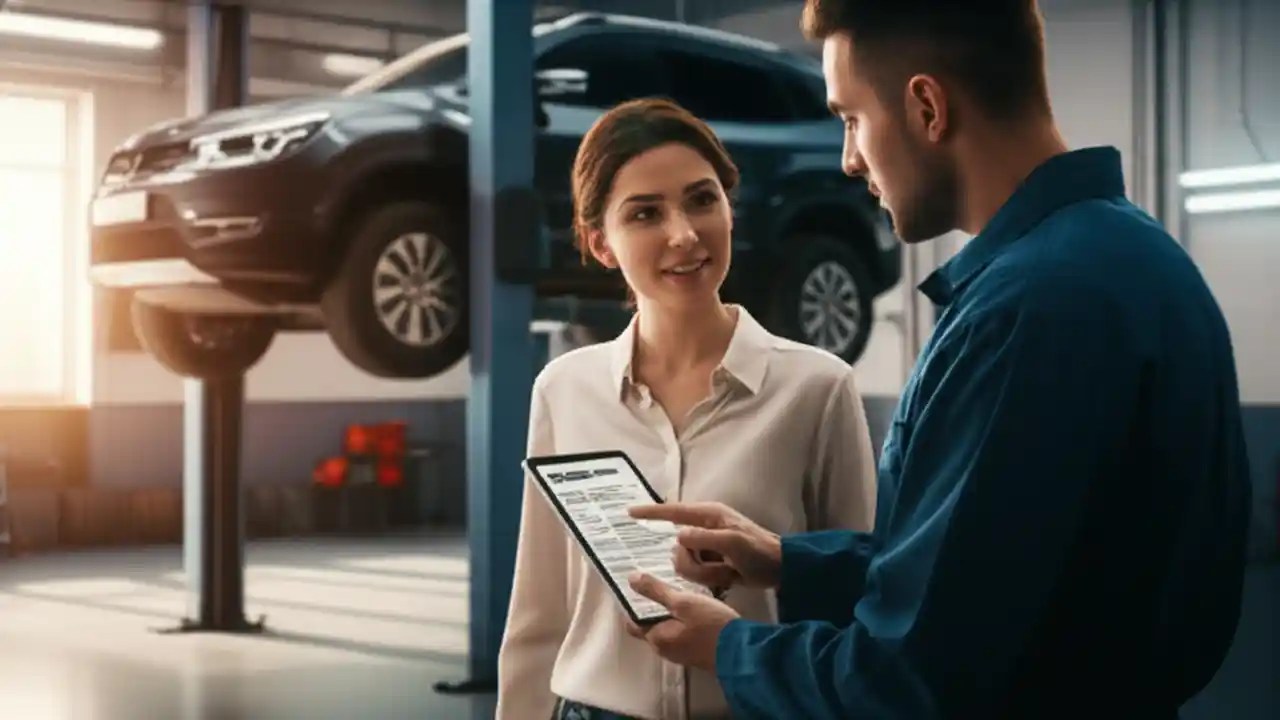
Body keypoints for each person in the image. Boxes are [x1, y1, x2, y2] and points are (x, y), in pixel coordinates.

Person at [624, 1, 1254, 718]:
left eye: (852, 118)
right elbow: (999, 577)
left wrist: (730, 647)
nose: (848, 158)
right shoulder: (1137, 259)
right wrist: (786, 560)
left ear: (927, 106)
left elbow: (911, 679)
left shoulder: (1029, 311)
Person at [494, 97, 879, 720]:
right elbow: (539, 610)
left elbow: (860, 599)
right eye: (645, 213)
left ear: (730, 208)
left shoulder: (817, 388)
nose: (683, 233)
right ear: (601, 244)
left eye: (702, 199)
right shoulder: (563, 390)